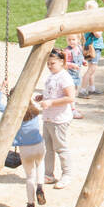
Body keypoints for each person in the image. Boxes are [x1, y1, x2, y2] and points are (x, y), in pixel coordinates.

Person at [40, 50, 78, 189]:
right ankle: (48, 174)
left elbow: (70, 97)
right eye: (48, 63)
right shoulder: (52, 76)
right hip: (48, 117)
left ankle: (67, 174)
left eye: (53, 63)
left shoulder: (64, 77)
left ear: (62, 62)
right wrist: (43, 98)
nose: (49, 66)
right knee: (47, 147)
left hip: (59, 118)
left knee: (60, 147)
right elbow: (51, 93)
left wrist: (51, 103)